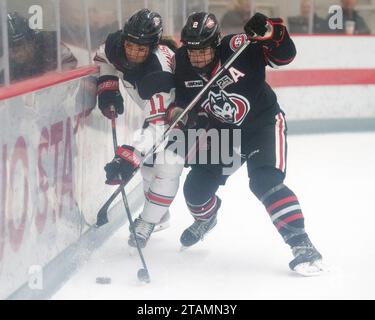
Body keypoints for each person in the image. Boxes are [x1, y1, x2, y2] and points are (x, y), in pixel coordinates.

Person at [170, 11, 324, 276]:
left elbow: (284, 55)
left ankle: (302, 245)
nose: (197, 58)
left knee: (264, 181)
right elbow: (185, 100)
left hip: (261, 125)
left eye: (204, 51)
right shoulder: (182, 62)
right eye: (192, 51)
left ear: (216, 43)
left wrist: (272, 32)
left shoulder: (237, 47)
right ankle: (207, 218)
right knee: (195, 189)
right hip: (225, 132)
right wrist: (180, 117)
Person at [94, 9, 184, 248]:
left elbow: (158, 127)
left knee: (166, 164)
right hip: (156, 113)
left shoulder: (158, 74)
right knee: (148, 166)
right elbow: (103, 58)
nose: (132, 52)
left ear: (152, 47)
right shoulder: (115, 45)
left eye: (141, 48)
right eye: (130, 44)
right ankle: (159, 216)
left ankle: (150, 220)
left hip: (180, 112)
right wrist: (108, 87)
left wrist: (128, 157)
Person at [0, 12, 77, 85]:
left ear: (32, 41)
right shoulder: (4, 67)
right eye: (13, 50)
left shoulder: (49, 46)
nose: (20, 53)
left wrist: (54, 76)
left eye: (24, 46)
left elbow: (70, 61)